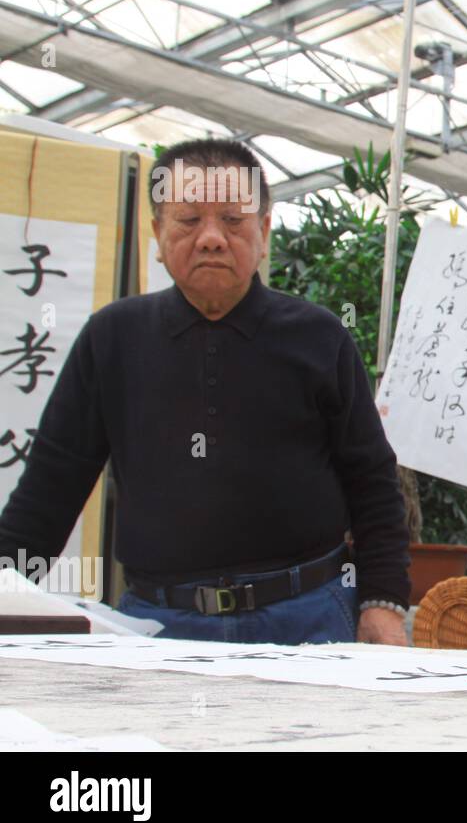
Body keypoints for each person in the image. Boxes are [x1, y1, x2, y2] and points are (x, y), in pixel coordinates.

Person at [0, 138, 411, 645]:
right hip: (159, 624)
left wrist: (383, 601)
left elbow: (371, 479)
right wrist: (6, 585)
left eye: (233, 221)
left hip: (309, 618)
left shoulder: (319, 336)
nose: (211, 238)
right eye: (189, 220)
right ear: (157, 232)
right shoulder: (112, 338)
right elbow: (49, 490)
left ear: (262, 231)